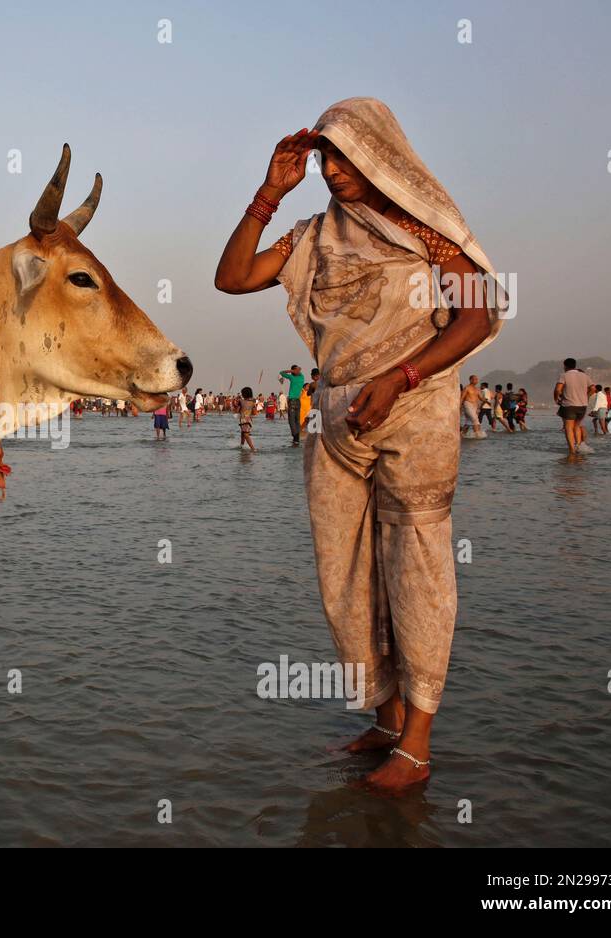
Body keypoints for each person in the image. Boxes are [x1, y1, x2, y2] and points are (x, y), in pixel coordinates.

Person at [213, 98, 505, 790]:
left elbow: (478, 314)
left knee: (418, 565)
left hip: (416, 406)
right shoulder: (314, 233)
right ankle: (385, 717)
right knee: (345, 572)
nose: (331, 169)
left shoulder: (426, 229)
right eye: (323, 157)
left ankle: (418, 746)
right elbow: (232, 277)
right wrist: (267, 193)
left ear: (378, 153)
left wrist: (403, 376)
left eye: (344, 154)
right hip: (339, 416)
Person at [554, 358, 592, 456]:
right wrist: (586, 397)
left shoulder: (564, 375)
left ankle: (572, 450)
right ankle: (579, 446)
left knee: (568, 427)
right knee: (577, 426)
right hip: (582, 405)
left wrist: (556, 399)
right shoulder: (584, 376)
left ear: (565, 366)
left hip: (569, 405)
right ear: (575, 365)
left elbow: (558, 389)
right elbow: (593, 388)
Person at [278, 364, 305, 444]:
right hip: (298, 401)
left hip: (292, 401)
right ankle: (297, 437)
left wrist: (291, 371)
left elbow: (281, 372)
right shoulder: (301, 377)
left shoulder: (292, 377)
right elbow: (300, 369)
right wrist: (294, 370)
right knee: (297, 420)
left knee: (291, 420)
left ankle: (295, 437)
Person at [235, 386, 257, 452]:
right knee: (243, 433)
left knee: (245, 434)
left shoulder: (241, 401)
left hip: (243, 420)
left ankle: (253, 448)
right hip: (249, 420)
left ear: (244, 394)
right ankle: (241, 445)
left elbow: (237, 410)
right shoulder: (253, 403)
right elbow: (254, 412)